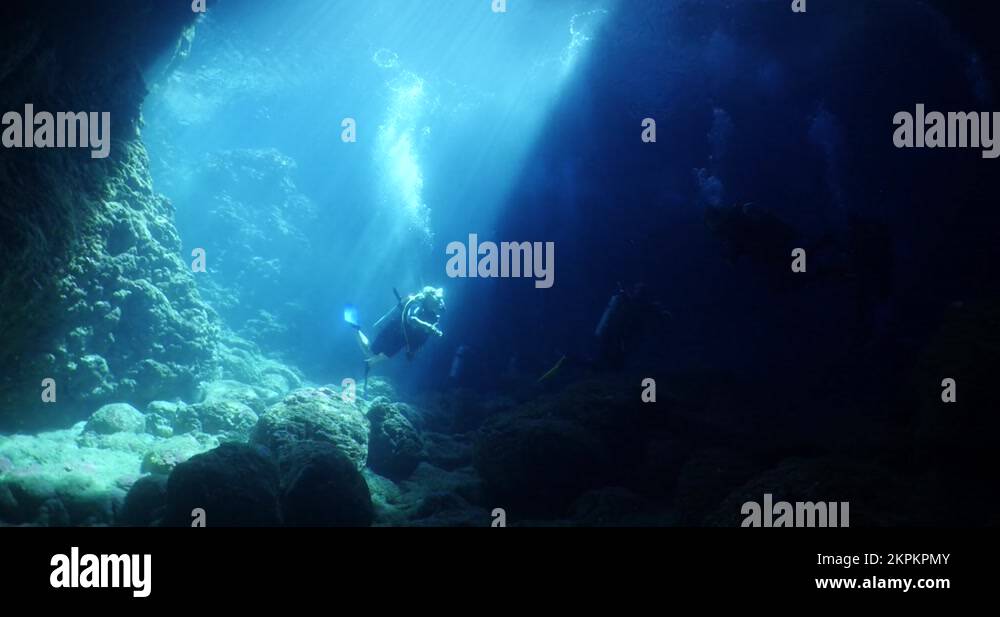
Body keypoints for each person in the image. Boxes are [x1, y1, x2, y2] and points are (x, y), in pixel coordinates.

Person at [345, 286, 445, 372]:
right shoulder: (418, 303)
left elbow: (422, 336)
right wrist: (430, 328)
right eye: (438, 299)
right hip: (393, 330)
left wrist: (413, 350)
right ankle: (355, 328)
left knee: (380, 355)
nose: (439, 303)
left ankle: (370, 362)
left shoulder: (430, 313)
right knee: (371, 352)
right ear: (429, 296)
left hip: (401, 338)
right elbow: (411, 318)